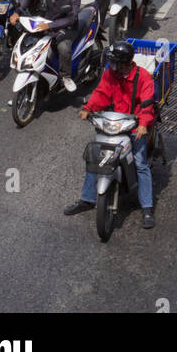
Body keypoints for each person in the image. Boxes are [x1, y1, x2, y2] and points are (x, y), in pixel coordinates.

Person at [64, 41, 157, 228]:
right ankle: (87, 199)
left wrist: (143, 124)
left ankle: (147, 207)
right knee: (95, 158)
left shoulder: (144, 78)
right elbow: (101, 93)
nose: (112, 66)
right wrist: (88, 108)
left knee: (141, 164)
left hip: (134, 127)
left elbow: (148, 104)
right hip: (113, 123)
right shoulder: (110, 74)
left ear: (125, 63)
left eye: (115, 62)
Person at [10, 0, 81, 92]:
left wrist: (49, 25)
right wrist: (18, 11)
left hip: (65, 28)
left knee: (63, 48)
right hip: (46, 23)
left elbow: (71, 19)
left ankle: (66, 76)